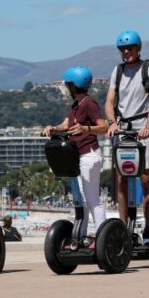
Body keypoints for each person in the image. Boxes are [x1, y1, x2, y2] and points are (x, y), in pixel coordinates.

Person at [104, 30, 149, 244]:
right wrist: (112, 123)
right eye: (123, 49)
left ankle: (148, 229)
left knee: (145, 178)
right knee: (121, 179)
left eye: (130, 48)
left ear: (138, 48)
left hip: (141, 127)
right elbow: (110, 102)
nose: (126, 52)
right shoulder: (117, 71)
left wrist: (148, 127)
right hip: (122, 128)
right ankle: (123, 229)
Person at [43, 66, 108, 247]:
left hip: (90, 155)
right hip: (78, 157)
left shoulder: (89, 103)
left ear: (75, 85)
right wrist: (53, 128)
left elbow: (103, 127)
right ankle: (80, 236)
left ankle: (102, 237)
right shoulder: (76, 105)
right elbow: (66, 124)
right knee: (81, 200)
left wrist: (85, 129)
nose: (66, 87)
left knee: (92, 199)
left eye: (68, 84)